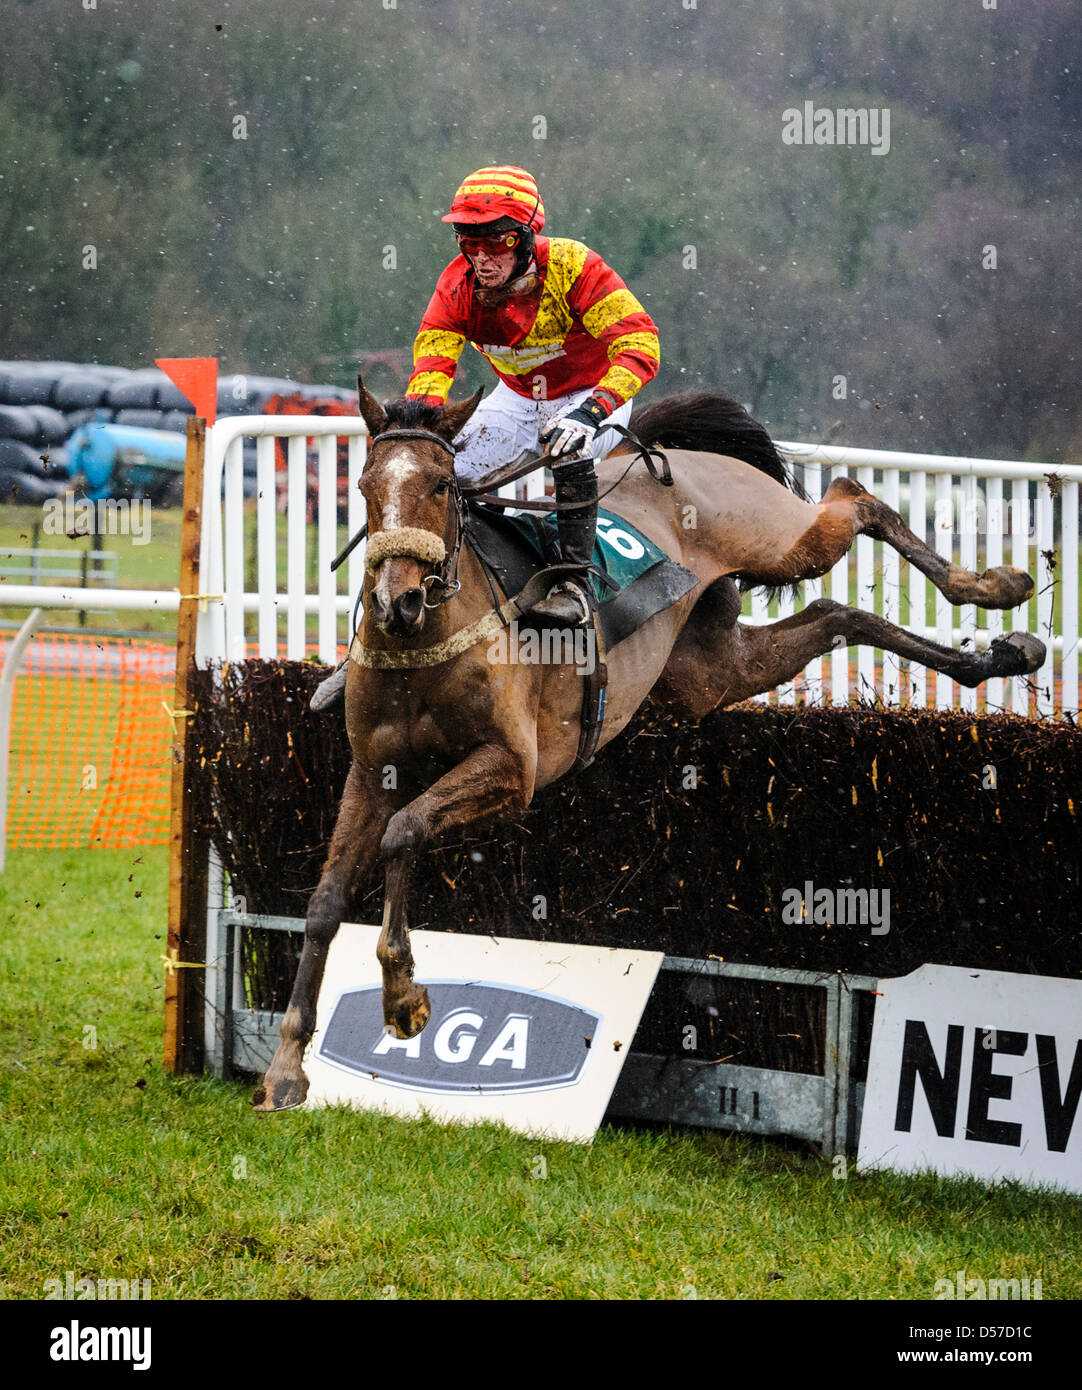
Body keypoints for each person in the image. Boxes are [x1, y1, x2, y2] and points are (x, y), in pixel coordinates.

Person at [310, 164, 660, 711]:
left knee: (565, 448)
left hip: (591, 392)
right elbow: (429, 382)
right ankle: (384, 632)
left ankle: (571, 585)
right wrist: (414, 438)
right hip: (518, 397)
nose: (480, 255)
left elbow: (640, 344)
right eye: (468, 240)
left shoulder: (574, 266)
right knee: (443, 473)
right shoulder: (456, 287)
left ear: (524, 238)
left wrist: (592, 412)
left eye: (493, 241)